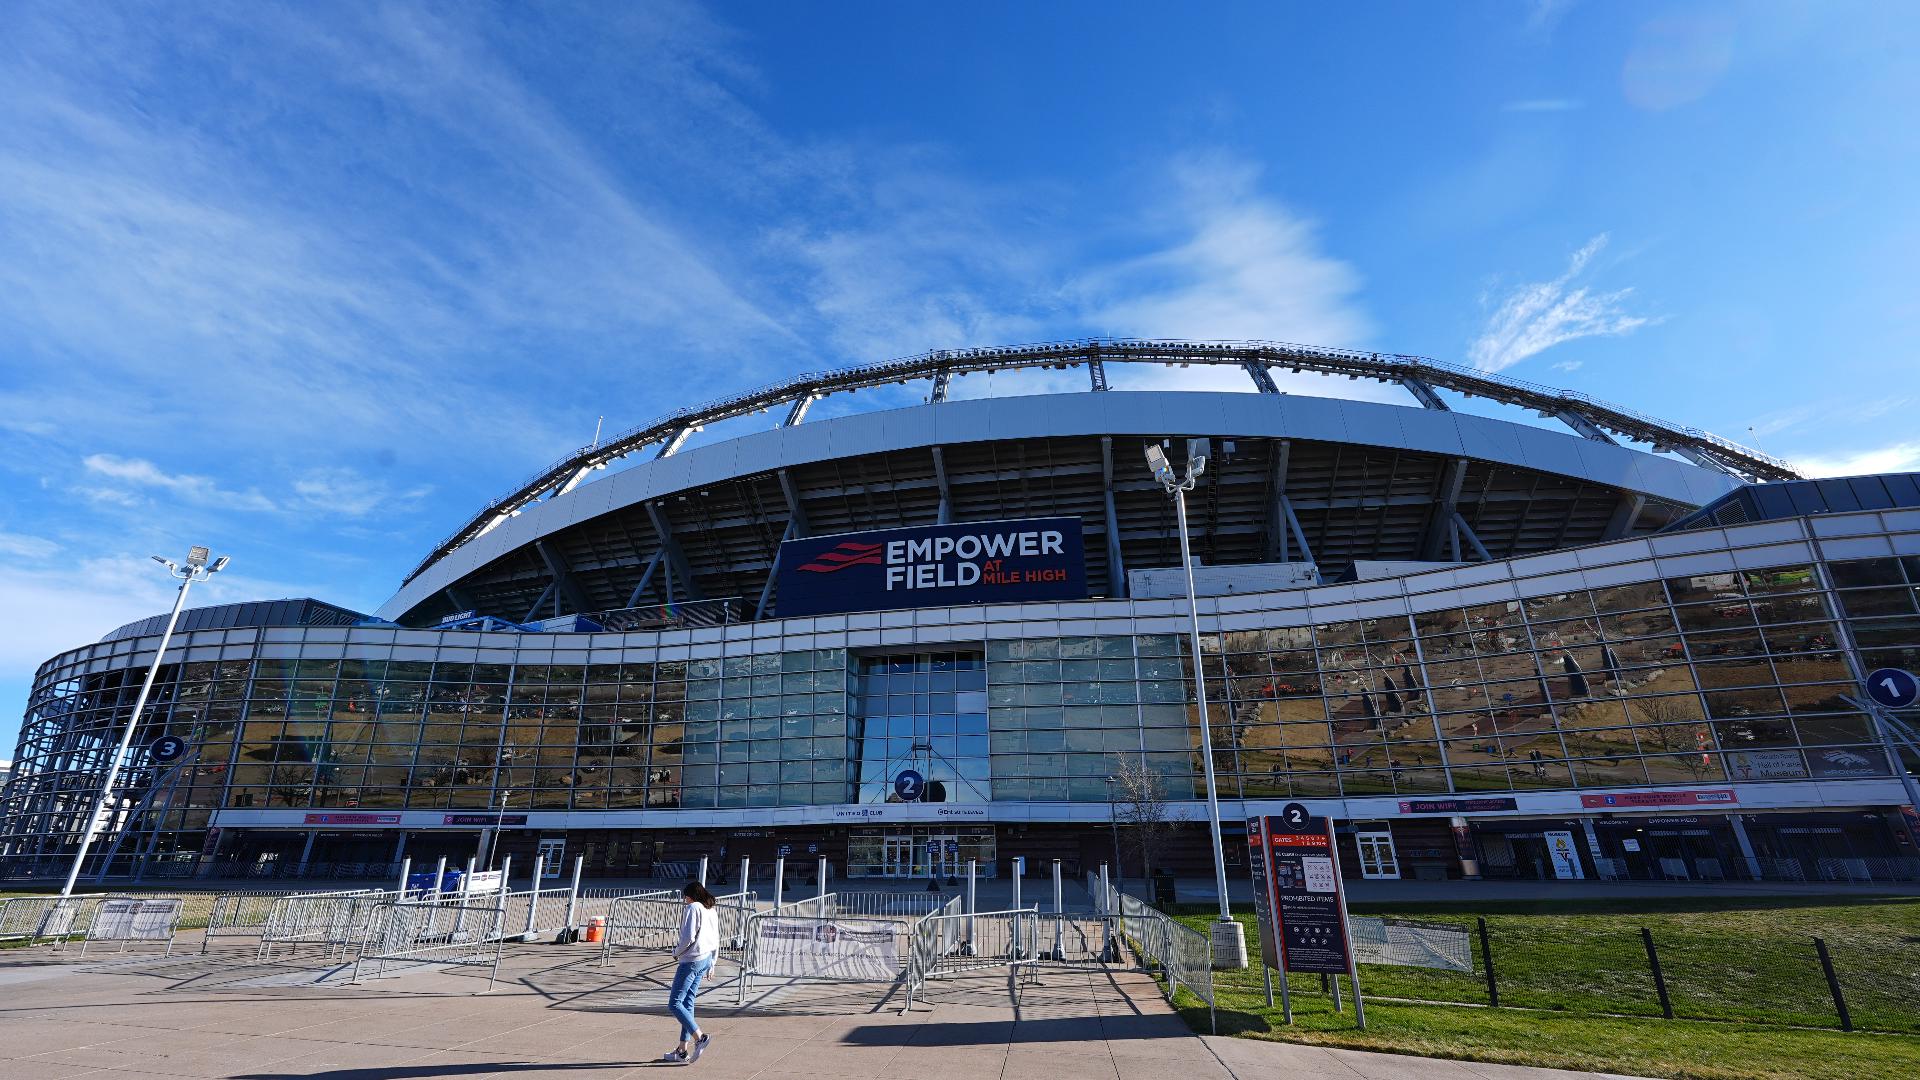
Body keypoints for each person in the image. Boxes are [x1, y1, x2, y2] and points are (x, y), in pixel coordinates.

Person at [662, 881, 720, 1065]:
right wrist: (713, 963)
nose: (684, 901)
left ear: (690, 896)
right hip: (705, 958)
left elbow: (688, 937)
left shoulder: (693, 908)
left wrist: (676, 952)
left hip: (691, 960)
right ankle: (682, 1050)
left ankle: (700, 1037)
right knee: (688, 1002)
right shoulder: (710, 909)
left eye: (685, 897)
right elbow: (716, 936)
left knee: (675, 1003)